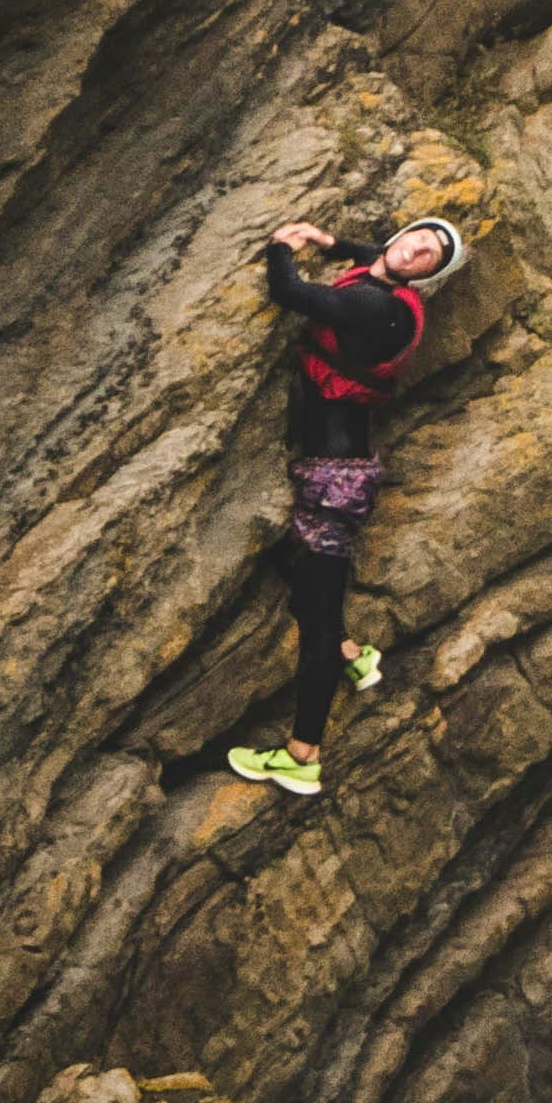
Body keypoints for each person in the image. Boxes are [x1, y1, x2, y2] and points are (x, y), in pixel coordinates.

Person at [225, 217, 465, 801]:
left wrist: (282, 245)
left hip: (334, 483)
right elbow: (376, 253)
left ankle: (302, 754)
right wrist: (330, 242)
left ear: (429, 275)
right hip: (336, 470)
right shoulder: (387, 284)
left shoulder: (372, 306)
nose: (415, 249)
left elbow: (291, 294)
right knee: (294, 572)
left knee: (317, 619)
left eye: (429, 255)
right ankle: (355, 657)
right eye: (417, 237)